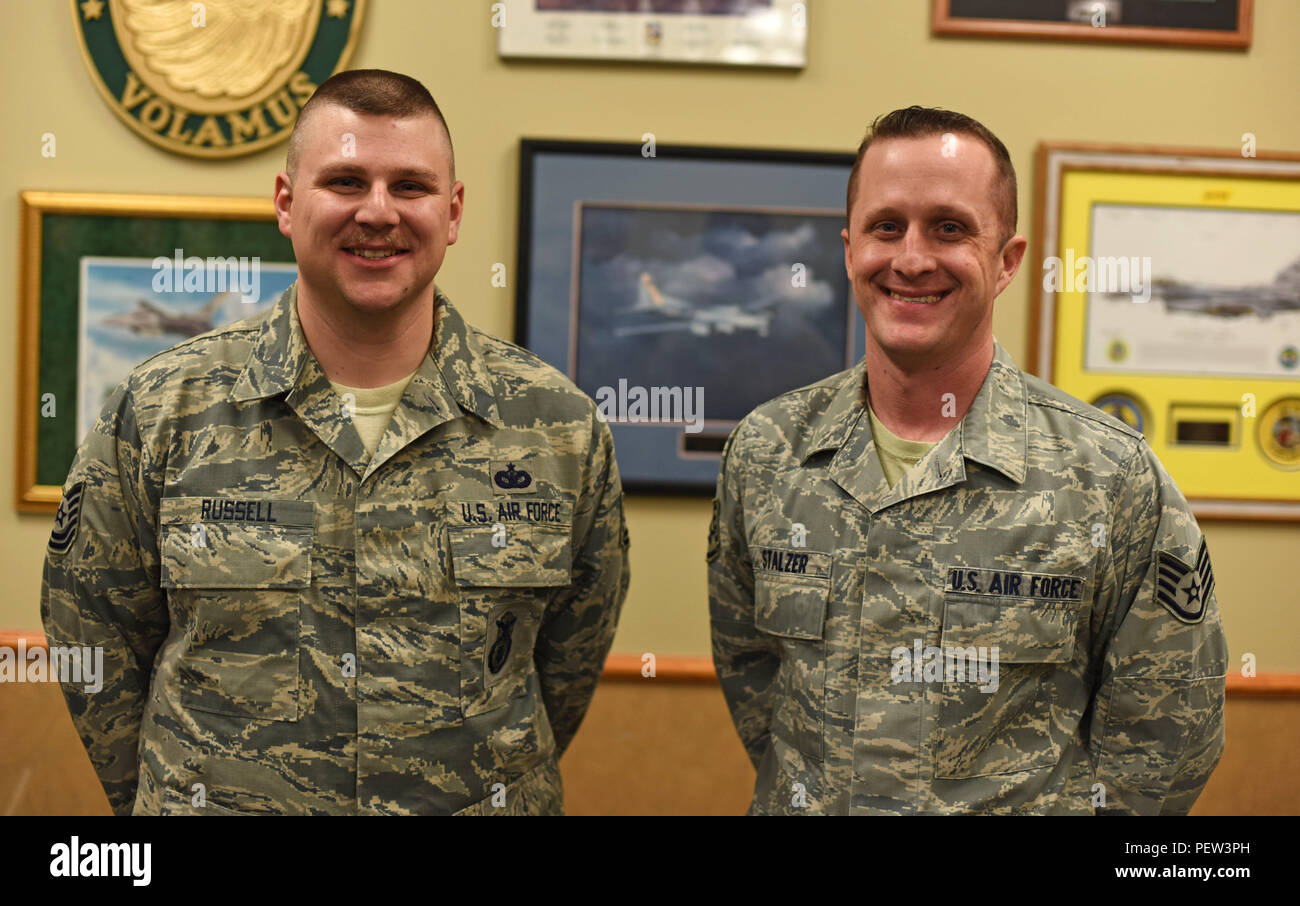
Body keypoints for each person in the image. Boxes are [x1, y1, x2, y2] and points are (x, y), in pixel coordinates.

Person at [41, 69, 630, 815]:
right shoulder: (162, 408)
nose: (378, 212)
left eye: (410, 187)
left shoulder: (556, 425)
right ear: (287, 203)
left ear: (452, 213)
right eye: (346, 181)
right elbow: (89, 629)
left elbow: (568, 660)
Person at [707, 106, 1227, 815]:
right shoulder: (768, 455)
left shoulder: (1110, 478)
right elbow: (754, 679)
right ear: (850, 247)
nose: (911, 258)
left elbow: (1169, 736)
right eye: (885, 226)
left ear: (1007, 261)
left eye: (949, 228)